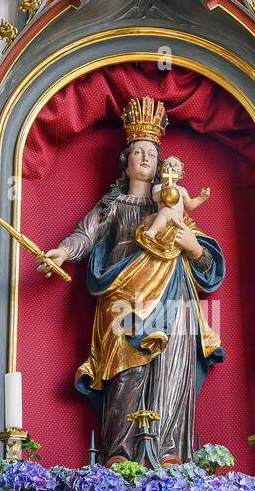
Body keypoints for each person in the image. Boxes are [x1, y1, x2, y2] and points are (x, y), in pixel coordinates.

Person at [40, 98, 225, 465]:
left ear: (160, 166)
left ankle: (169, 451)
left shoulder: (169, 206)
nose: (145, 159)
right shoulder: (113, 204)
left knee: (172, 367)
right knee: (128, 366)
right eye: (138, 152)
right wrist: (62, 251)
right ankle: (120, 454)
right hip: (123, 292)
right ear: (125, 161)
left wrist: (192, 247)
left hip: (173, 293)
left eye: (152, 154)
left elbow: (206, 262)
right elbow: (85, 235)